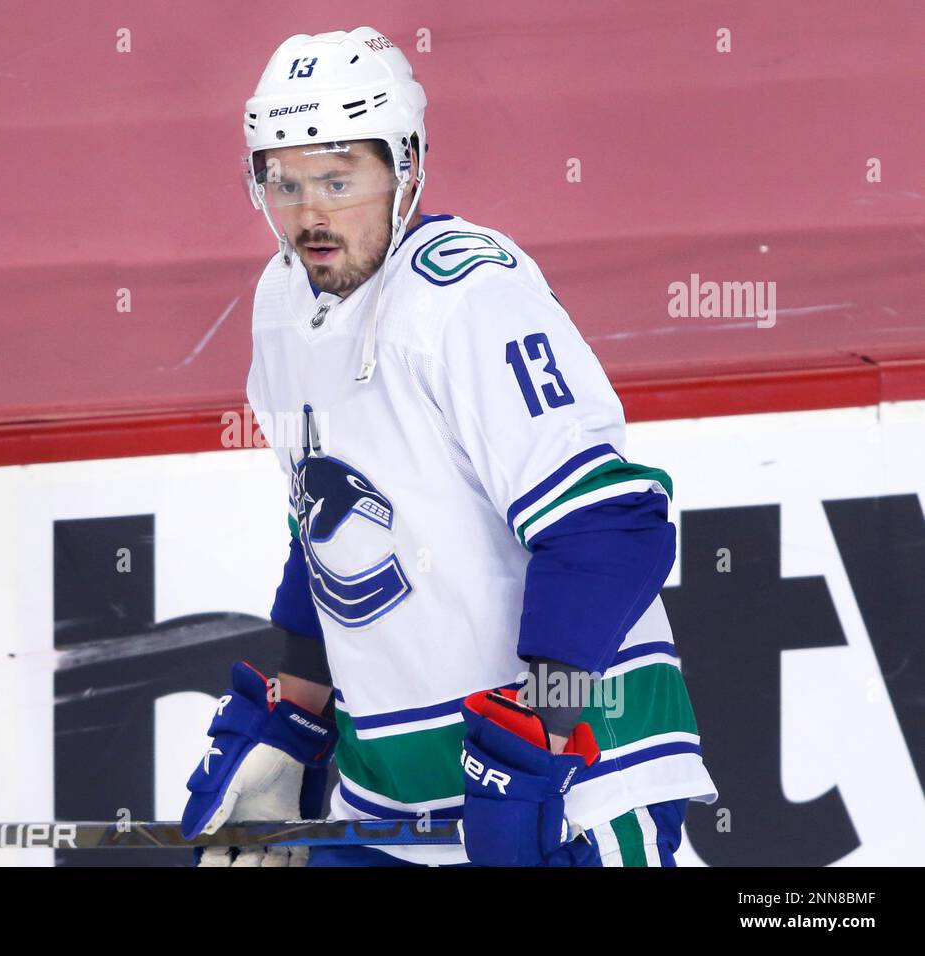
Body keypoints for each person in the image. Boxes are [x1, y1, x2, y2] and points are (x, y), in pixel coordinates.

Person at [181, 26, 717, 867]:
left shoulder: (469, 296)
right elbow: (324, 528)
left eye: (338, 179)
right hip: (393, 804)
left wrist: (541, 735)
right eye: (285, 182)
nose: (312, 215)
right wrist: (297, 714)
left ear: (406, 168)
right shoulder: (282, 307)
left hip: (574, 783)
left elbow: (611, 528)